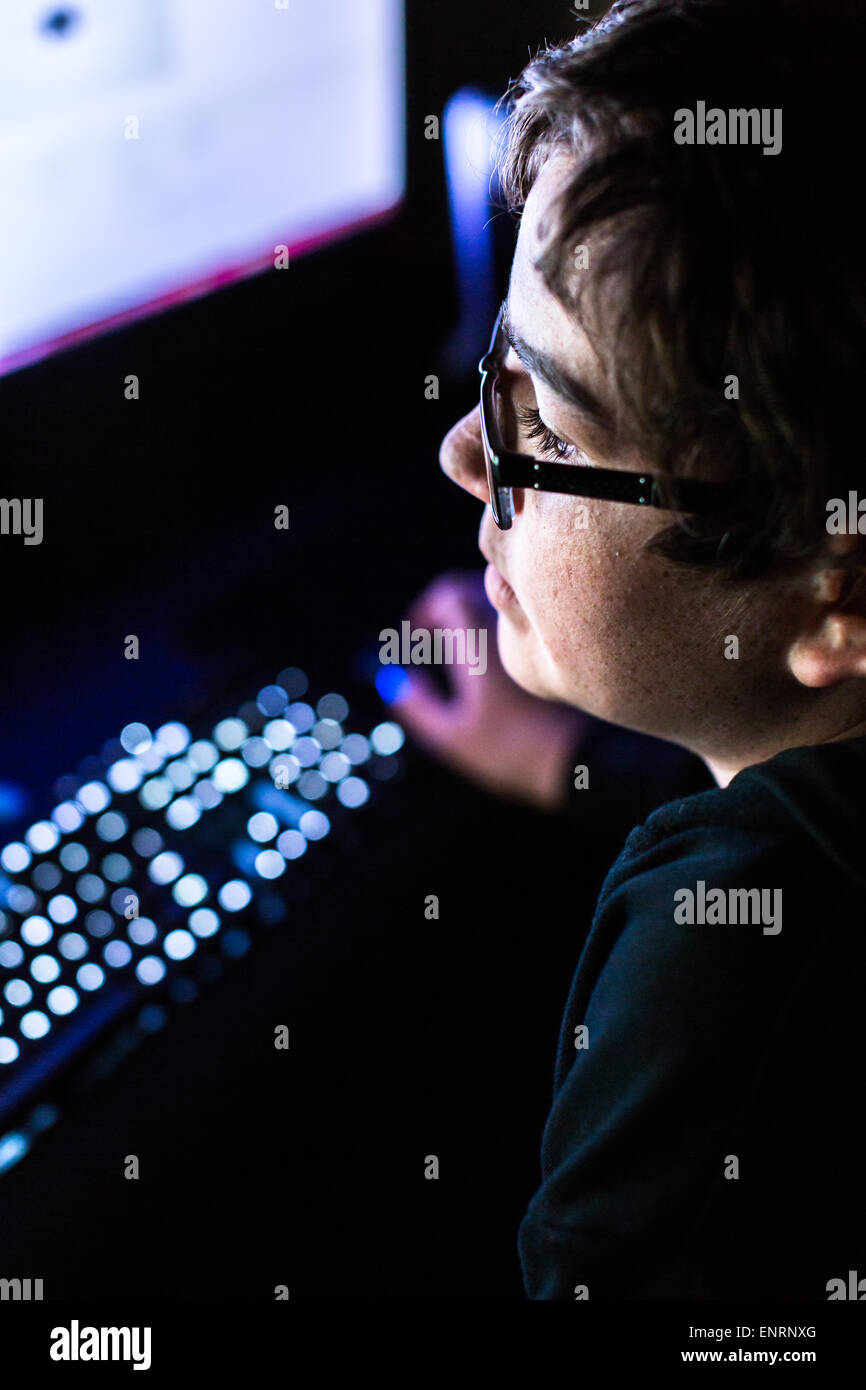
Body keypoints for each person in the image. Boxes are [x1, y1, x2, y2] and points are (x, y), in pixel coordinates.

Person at [392, 0, 866, 1298]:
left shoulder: (709, 1006)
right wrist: (563, 763)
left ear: (839, 599)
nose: (463, 454)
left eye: (544, 421)